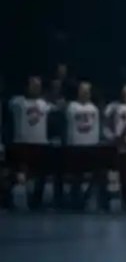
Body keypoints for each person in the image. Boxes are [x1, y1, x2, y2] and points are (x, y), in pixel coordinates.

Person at [8, 77, 53, 210]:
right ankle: (12, 201)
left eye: (38, 85)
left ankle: (36, 202)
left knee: (40, 175)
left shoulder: (44, 104)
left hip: (40, 144)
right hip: (22, 144)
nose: (35, 88)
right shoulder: (17, 102)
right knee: (21, 175)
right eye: (33, 85)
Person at [63, 82, 101, 211]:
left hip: (91, 145)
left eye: (87, 91)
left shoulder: (94, 108)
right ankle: (75, 201)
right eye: (83, 90)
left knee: (94, 176)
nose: (85, 93)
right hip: (75, 145)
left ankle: (86, 198)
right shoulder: (72, 107)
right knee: (76, 177)